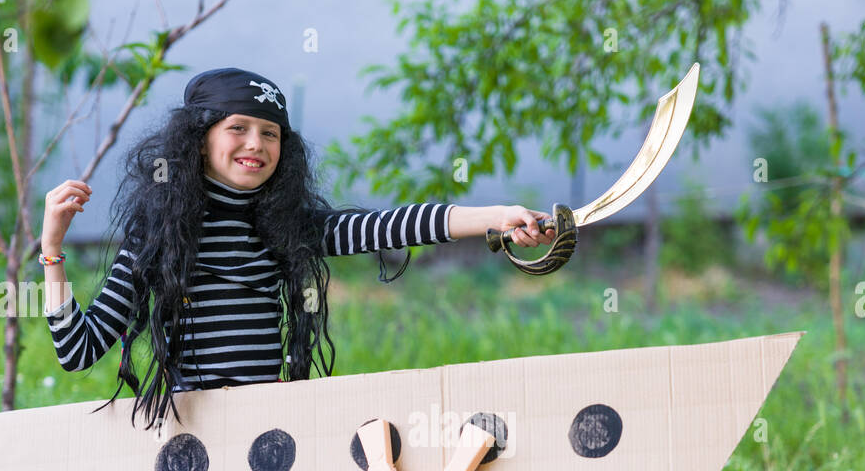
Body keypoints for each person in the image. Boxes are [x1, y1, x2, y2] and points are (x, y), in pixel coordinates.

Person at [40, 67, 555, 431]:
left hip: (274, 422)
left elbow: (391, 226)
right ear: (199, 140)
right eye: (236, 128)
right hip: (193, 432)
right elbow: (77, 352)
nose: (256, 144)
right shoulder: (159, 236)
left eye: (270, 133)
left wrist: (498, 218)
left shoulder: (287, 227)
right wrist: (52, 251)